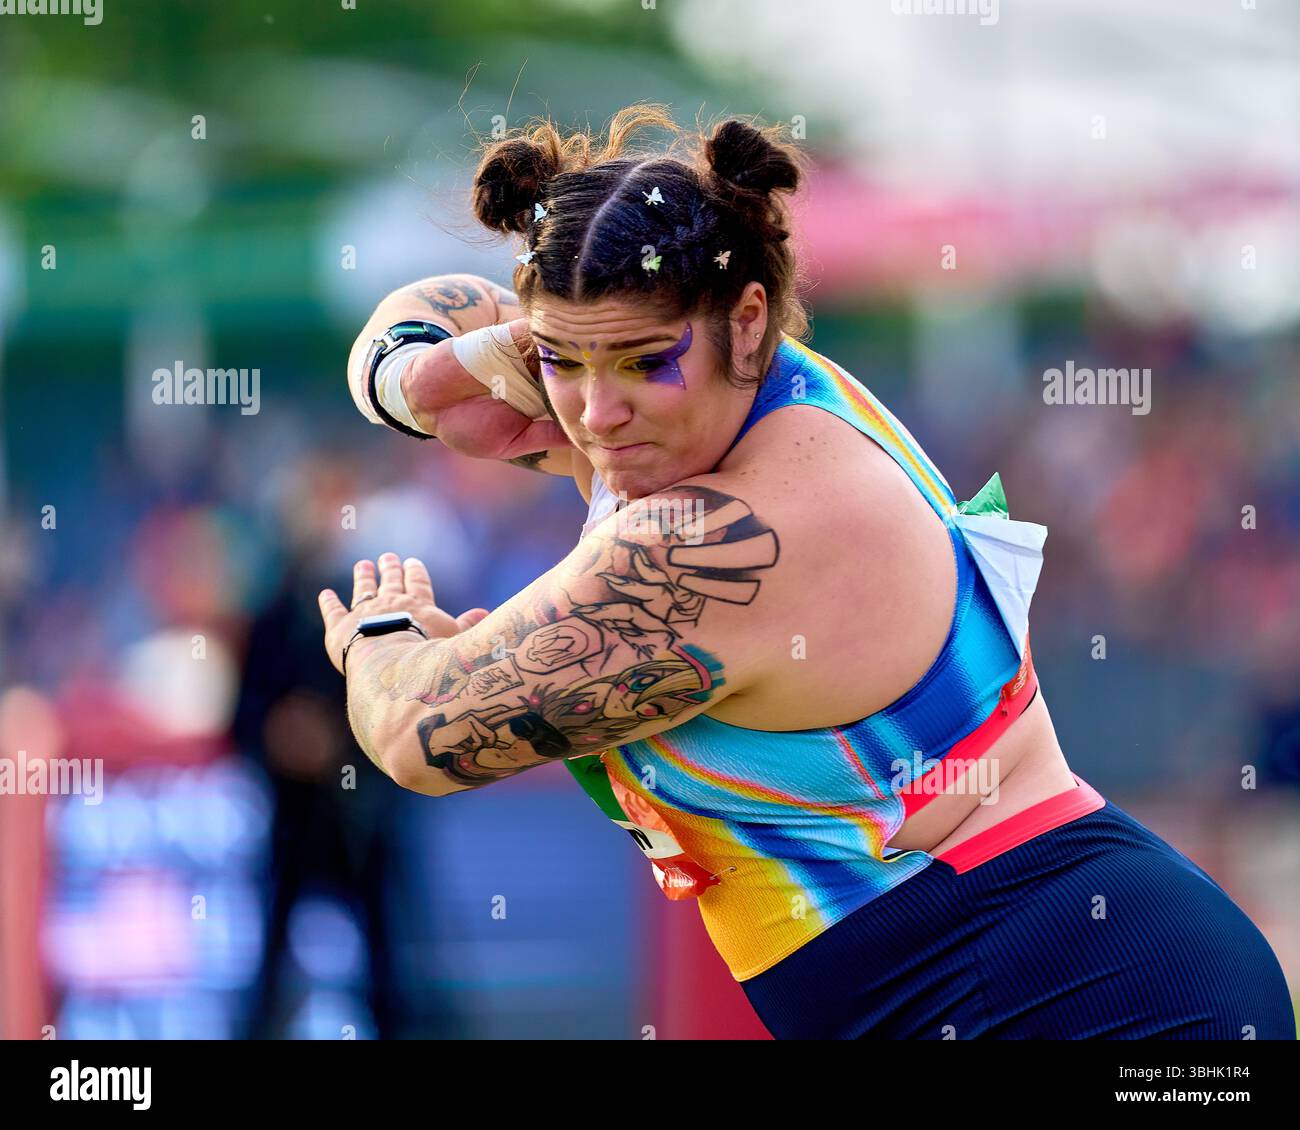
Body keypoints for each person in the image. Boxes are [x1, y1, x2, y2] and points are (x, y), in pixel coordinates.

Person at [319, 103, 1296, 1039]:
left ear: (747, 321)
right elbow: (416, 322)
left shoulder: (718, 536)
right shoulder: (701, 399)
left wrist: (382, 638)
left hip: (1096, 1001)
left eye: (639, 362)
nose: (596, 413)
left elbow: (416, 735)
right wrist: (416, 378)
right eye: (562, 363)